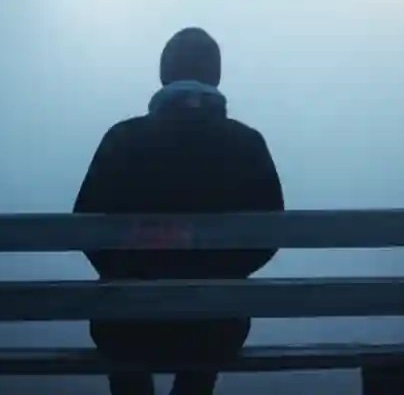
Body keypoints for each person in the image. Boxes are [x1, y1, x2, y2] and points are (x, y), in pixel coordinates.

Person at [74, 27, 285, 395]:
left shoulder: (123, 138)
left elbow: (85, 226)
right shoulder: (246, 143)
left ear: (164, 74)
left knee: (122, 335)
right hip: (216, 327)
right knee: (209, 335)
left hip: (125, 327)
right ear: (215, 76)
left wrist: (125, 272)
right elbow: (271, 235)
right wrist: (226, 272)